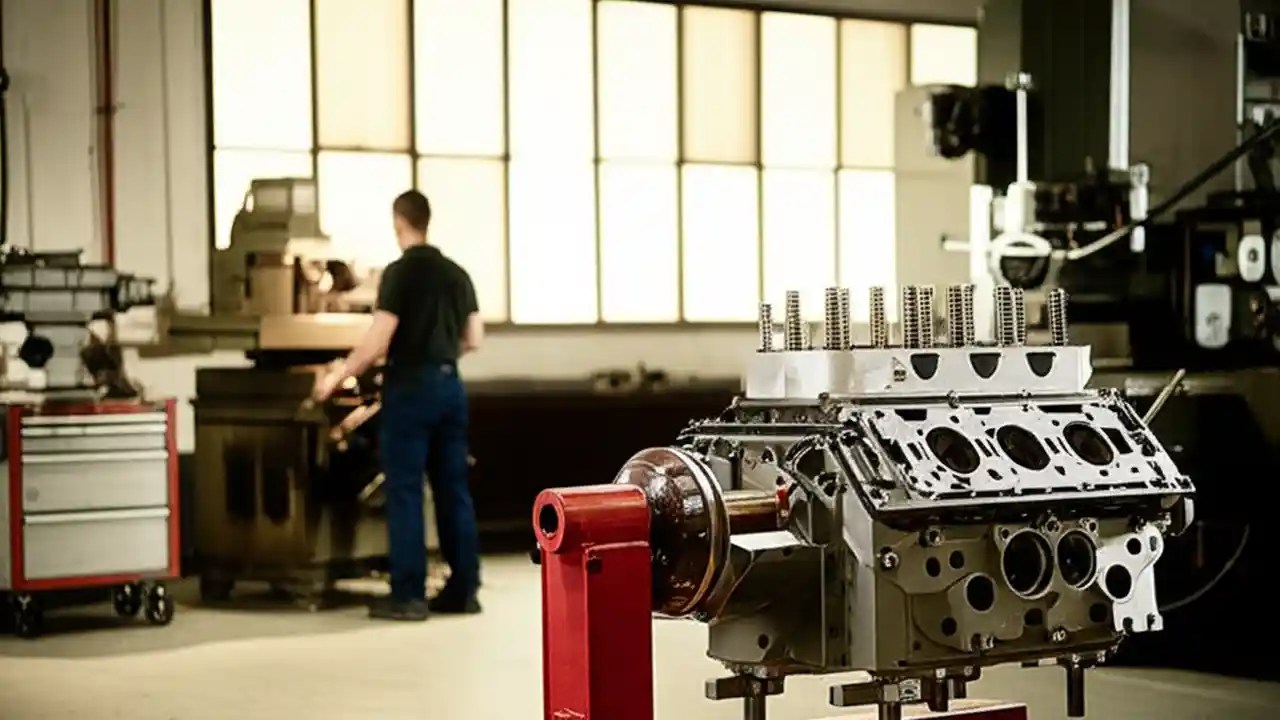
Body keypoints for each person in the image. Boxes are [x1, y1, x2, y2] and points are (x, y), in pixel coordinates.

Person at [312, 189, 484, 621]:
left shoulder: (400, 273)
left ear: (398, 224)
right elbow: (473, 338)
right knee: (453, 490)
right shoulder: (456, 274)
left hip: (411, 388)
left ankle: (408, 595)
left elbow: (378, 338)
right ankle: (463, 590)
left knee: (405, 491)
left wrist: (339, 375)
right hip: (450, 386)